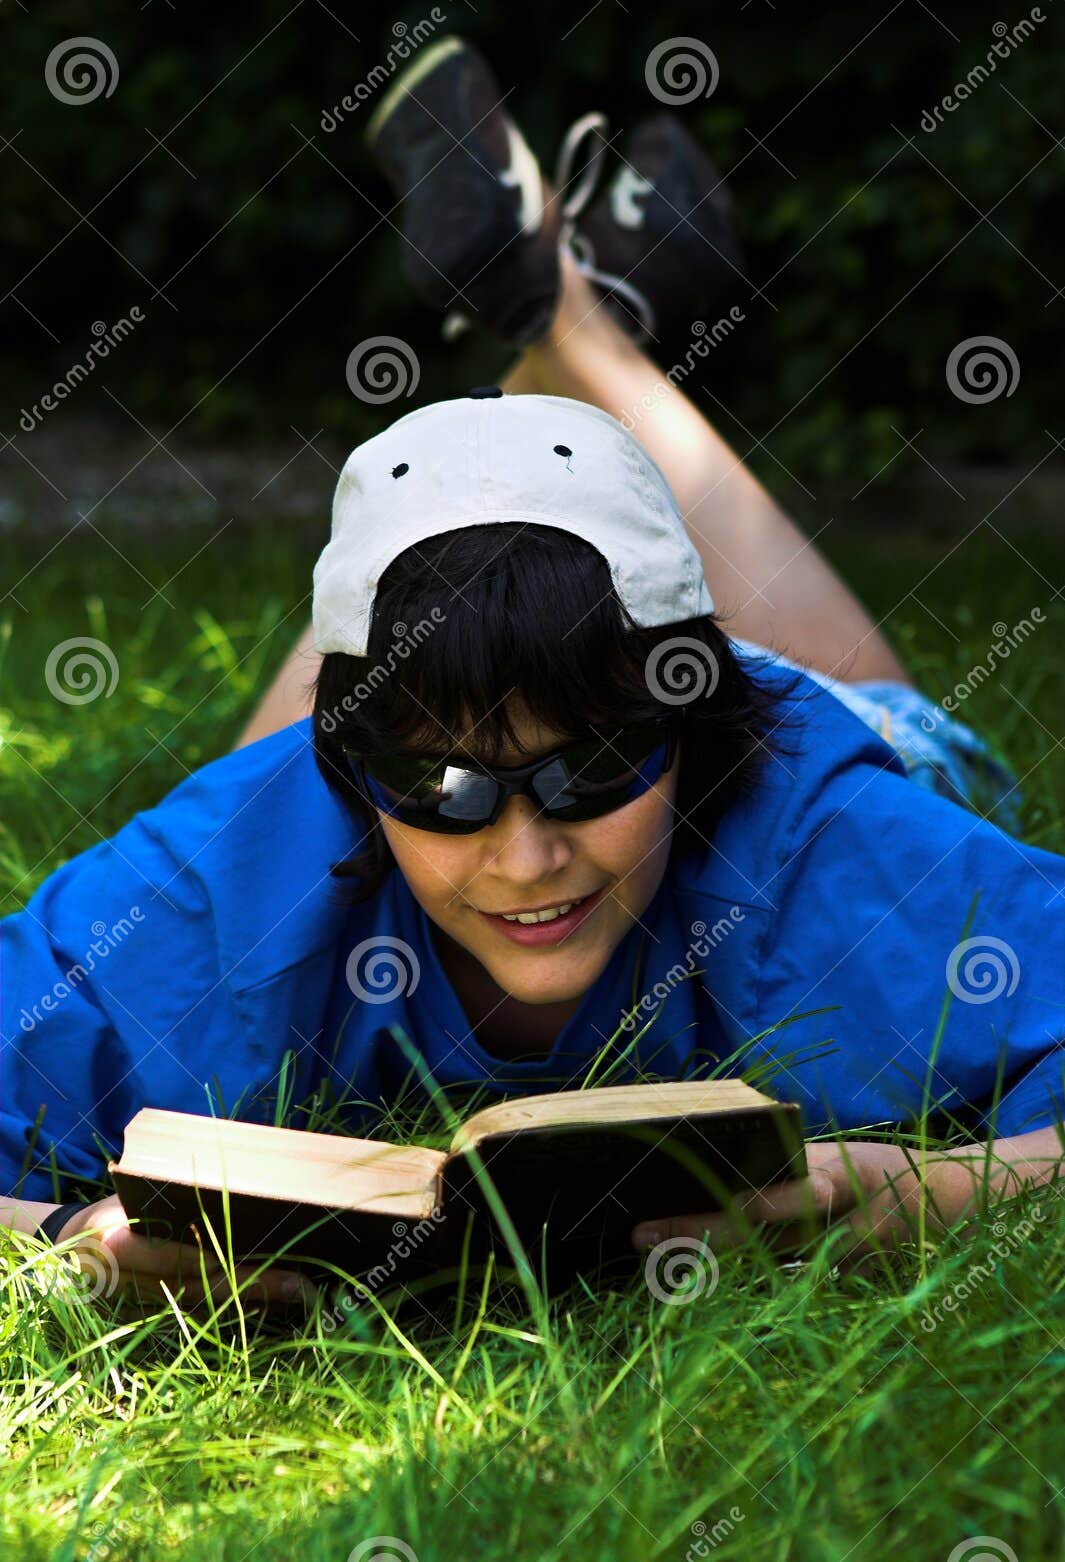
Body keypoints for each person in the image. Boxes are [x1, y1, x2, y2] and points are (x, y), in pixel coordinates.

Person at [2, 39, 1062, 1308]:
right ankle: (581, 314)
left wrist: (890, 1197)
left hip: (806, 726)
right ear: (347, 765)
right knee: (317, 769)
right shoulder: (218, 879)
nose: (523, 856)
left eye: (594, 770)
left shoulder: (834, 849)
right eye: (437, 786)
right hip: (333, 789)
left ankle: (568, 320)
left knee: (901, 724)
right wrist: (84, 1259)